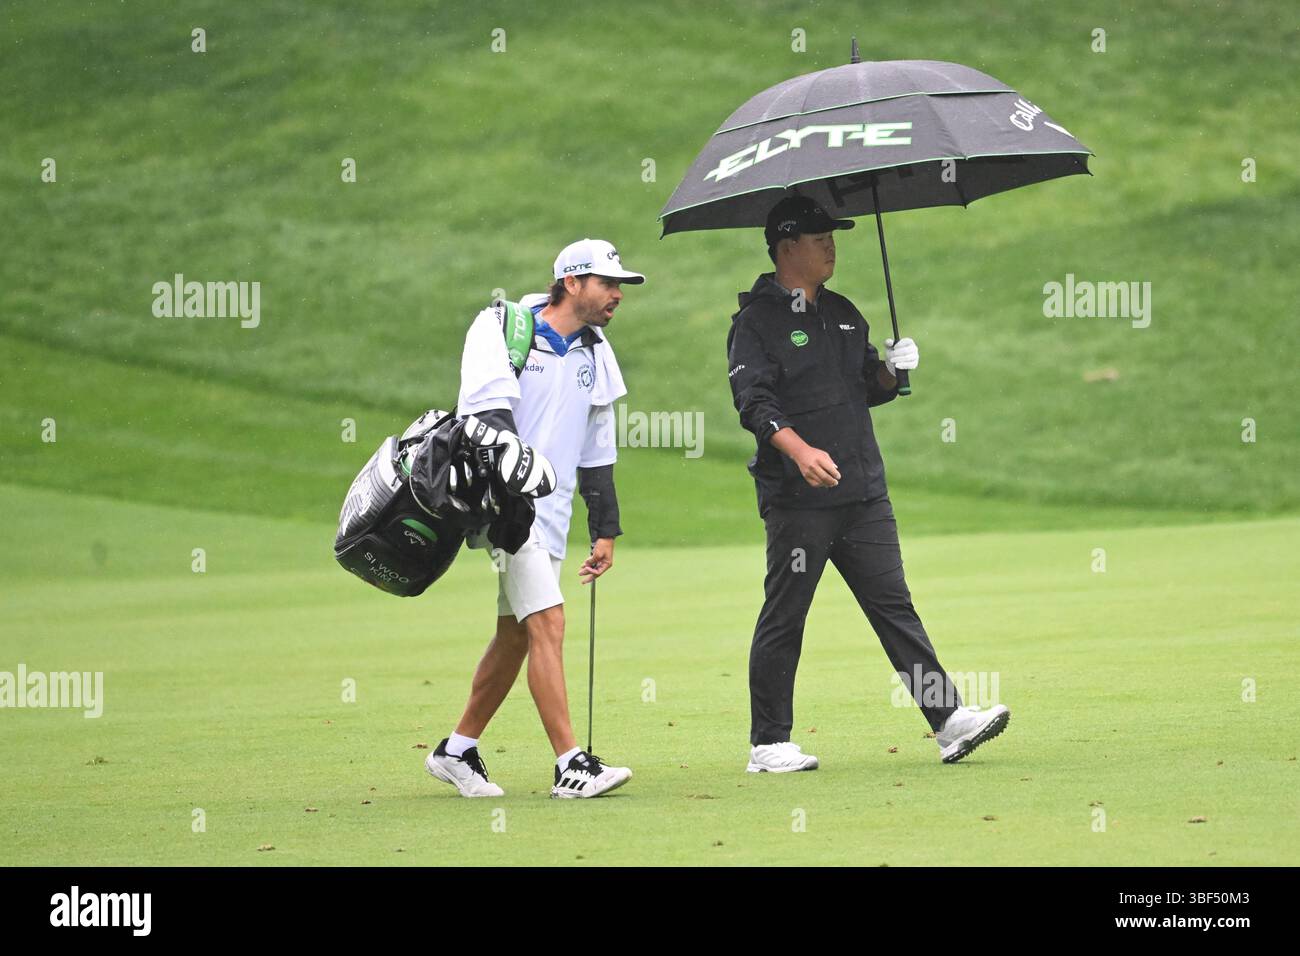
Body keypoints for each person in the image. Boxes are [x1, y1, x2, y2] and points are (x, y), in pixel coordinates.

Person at [726, 196, 1010, 772]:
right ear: (786, 248)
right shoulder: (755, 323)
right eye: (817, 236)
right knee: (786, 613)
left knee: (893, 606)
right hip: (799, 498)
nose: (831, 243)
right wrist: (800, 450)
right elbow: (753, 403)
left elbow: (866, 387)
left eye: (832, 234)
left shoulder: (844, 312)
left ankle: (948, 720)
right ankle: (768, 743)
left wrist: (892, 369)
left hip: (862, 491)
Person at [425, 238, 644, 799]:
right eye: (607, 283)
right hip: (505, 512)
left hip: (554, 515)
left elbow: (598, 451)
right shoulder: (502, 328)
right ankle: (570, 765)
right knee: (548, 623)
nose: (617, 295)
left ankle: (457, 750)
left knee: (515, 636)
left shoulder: (597, 352)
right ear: (571, 282)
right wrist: (512, 495)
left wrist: (605, 530)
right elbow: (488, 415)